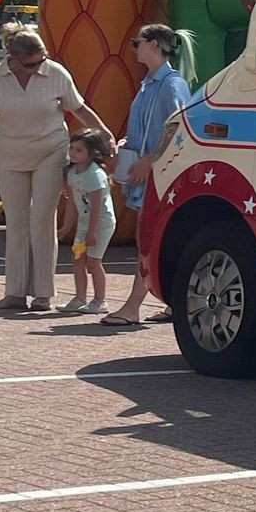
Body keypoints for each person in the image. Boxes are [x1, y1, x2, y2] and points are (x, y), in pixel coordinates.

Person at [0, 23, 116, 312]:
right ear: (14, 60)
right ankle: (15, 293)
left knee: (42, 220)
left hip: (50, 153)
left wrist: (104, 133)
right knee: (16, 223)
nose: (39, 66)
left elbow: (78, 107)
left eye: (42, 59)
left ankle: (43, 293)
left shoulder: (55, 73)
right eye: (32, 63)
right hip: (11, 156)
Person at [104, 24, 194, 327]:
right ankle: (173, 303)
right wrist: (127, 146)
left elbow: (179, 126)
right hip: (148, 172)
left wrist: (150, 159)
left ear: (153, 44)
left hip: (160, 175)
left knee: (148, 240)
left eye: (137, 42)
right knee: (157, 239)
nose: (135, 47)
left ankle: (132, 307)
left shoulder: (170, 84)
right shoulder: (151, 83)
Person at [62, 131, 115, 315]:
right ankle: (80, 298)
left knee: (93, 262)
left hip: (101, 225)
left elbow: (97, 207)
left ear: (91, 153)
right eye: (71, 148)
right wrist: (67, 226)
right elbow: (72, 202)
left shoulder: (95, 175)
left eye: (79, 150)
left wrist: (92, 233)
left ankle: (100, 300)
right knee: (78, 258)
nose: (73, 153)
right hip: (84, 225)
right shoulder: (72, 173)